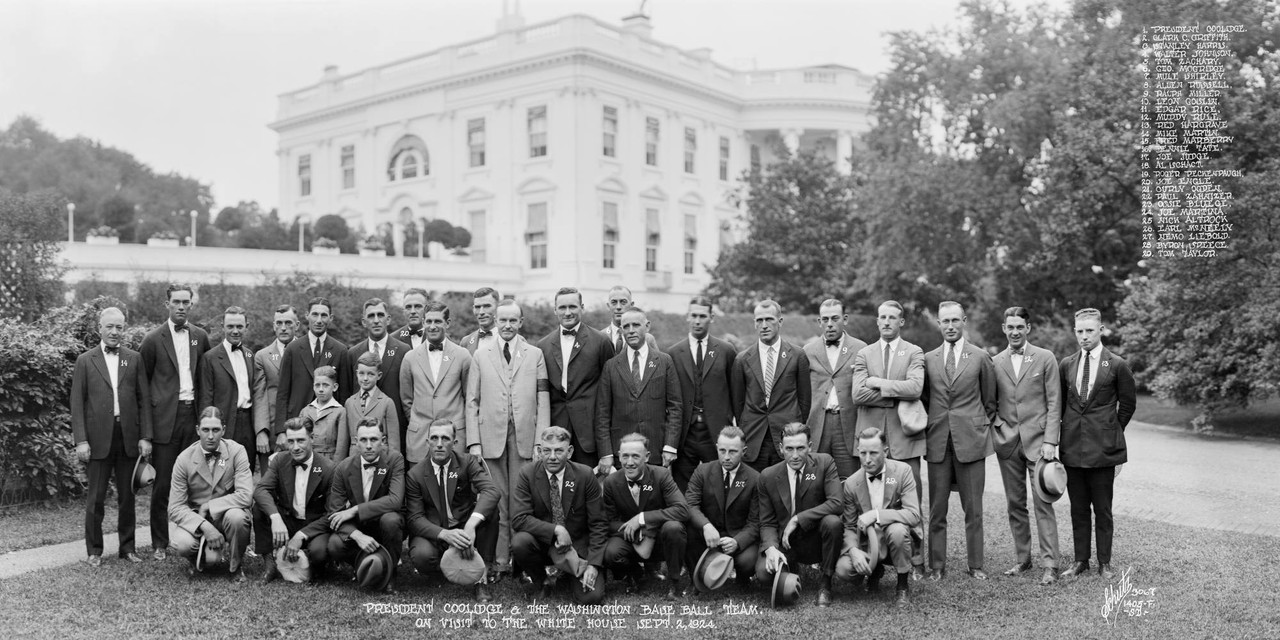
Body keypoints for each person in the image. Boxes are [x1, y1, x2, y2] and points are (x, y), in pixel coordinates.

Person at [464, 299, 550, 580]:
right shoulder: (481, 354)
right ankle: (500, 561)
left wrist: (540, 441)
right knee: (497, 501)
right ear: (496, 322)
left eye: (514, 320)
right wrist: (474, 441)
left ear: (521, 322)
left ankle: (522, 561)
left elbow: (543, 400)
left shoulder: (534, 354)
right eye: (504, 320)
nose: (508, 325)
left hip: (524, 436)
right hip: (490, 436)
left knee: (522, 501)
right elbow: (472, 400)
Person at [921, 301, 998, 581]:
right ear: (939, 324)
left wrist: (973, 425)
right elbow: (926, 397)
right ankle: (937, 566)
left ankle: (975, 564)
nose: (950, 326)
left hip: (971, 441)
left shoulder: (979, 357)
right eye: (945, 321)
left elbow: (990, 401)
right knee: (936, 510)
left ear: (964, 321)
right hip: (938, 440)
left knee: (973, 509)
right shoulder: (928, 359)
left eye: (955, 320)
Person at [1058, 308, 1136, 582]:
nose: (1084, 336)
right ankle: (1081, 560)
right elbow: (1062, 404)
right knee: (1077, 509)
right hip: (1072, 449)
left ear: (1101, 330)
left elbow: (1127, 404)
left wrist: (1111, 430)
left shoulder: (1116, 364)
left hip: (1103, 451)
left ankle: (1105, 562)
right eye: (1079, 331)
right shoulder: (1066, 364)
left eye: (1089, 330)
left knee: (1102, 509)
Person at [71, 306, 153, 567]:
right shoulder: (85, 360)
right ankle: (94, 551)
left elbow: (143, 400)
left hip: (128, 438)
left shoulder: (134, 358)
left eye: (119, 327)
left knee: (127, 497)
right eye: (110, 327)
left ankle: (127, 548)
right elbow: (77, 403)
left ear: (124, 329)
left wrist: (146, 436)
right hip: (97, 441)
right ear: (100, 329)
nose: (115, 332)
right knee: (95, 498)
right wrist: (81, 440)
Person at [851, 300, 926, 578]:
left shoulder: (914, 351)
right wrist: (898, 392)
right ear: (877, 321)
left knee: (911, 500)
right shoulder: (864, 353)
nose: (886, 322)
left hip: (905, 436)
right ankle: (872, 560)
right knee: (869, 501)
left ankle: (916, 563)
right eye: (882, 317)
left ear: (901, 322)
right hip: (871, 440)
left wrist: (878, 383)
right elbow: (857, 395)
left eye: (892, 318)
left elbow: (916, 387)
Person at [992, 306, 1062, 585]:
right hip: (1007, 442)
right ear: (1004, 328)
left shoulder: (1045, 358)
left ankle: (1050, 564)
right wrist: (997, 428)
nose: (1015, 332)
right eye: (1010, 327)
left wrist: (1050, 441)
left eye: (1020, 326)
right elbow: (989, 400)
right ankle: (1023, 559)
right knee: (1014, 504)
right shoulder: (995, 361)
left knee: (1043, 502)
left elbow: (1055, 402)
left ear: (1028, 328)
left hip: (1039, 443)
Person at [140, 283, 211, 561]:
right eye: (176, 302)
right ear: (166, 304)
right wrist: (146, 433)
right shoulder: (152, 339)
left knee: (197, 481)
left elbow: (206, 379)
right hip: (164, 421)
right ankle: (159, 542)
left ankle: (194, 536)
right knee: (164, 483)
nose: (181, 307)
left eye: (186, 302)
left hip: (193, 418)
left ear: (191, 305)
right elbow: (143, 391)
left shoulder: (201, 337)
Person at [405, 421, 500, 601]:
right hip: (436, 531)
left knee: (491, 512)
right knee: (421, 555)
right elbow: (415, 519)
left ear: (455, 443)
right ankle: (441, 571)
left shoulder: (468, 462)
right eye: (434, 438)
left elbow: (491, 491)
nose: (439, 443)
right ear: (427, 442)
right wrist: (445, 535)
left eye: (445, 438)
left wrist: (470, 526)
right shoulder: (415, 474)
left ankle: (481, 577)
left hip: (464, 527)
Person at [510, 426, 608, 601]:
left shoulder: (585, 475)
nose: (552, 457)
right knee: (520, 542)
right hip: (542, 543)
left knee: (591, 598)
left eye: (559, 451)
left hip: (577, 545)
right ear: (539, 451)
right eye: (547, 451)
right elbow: (519, 519)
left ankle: (573, 572)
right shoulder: (528, 473)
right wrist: (557, 529)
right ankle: (542, 581)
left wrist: (593, 564)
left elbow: (598, 523)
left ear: (569, 452)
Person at [755, 423, 843, 607]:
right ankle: (791, 569)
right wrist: (771, 547)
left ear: (810, 446)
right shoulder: (767, 476)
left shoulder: (825, 463)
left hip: (816, 539)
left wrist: (798, 519)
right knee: (763, 575)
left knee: (833, 523)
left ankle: (826, 584)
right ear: (781, 449)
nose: (795, 455)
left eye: (801, 448)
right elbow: (766, 521)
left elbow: (836, 503)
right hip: (786, 542)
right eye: (789, 449)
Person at [835, 428, 921, 607]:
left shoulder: (902, 471)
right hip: (867, 542)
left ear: (886, 451)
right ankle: (874, 570)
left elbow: (913, 515)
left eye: (873, 453)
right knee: (843, 569)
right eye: (863, 453)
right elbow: (849, 526)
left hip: (898, 539)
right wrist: (853, 551)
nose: (867, 459)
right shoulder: (851, 483)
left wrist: (875, 515)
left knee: (897, 530)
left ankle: (902, 586)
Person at [168, 407, 253, 581]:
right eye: (206, 430)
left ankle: (235, 567)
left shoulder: (237, 451)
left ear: (224, 429)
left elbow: (245, 495)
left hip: (226, 516)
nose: (211, 436)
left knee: (237, 517)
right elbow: (175, 507)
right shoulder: (184, 459)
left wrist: (211, 506)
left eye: (216, 430)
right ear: (198, 430)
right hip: (198, 520)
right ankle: (197, 559)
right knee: (182, 544)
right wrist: (205, 527)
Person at [537, 287, 616, 474]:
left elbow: (610, 392)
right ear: (555, 310)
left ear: (582, 307)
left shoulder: (601, 342)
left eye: (572, 306)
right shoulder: (543, 346)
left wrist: (607, 447)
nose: (567, 312)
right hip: (557, 432)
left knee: (590, 488)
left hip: (589, 433)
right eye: (562, 307)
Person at [602, 433, 689, 600]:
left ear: (647, 457)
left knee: (674, 528)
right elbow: (609, 522)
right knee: (611, 552)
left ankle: (674, 583)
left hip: (659, 539)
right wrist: (634, 531)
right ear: (618, 456)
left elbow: (682, 510)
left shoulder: (661, 475)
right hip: (629, 538)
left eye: (635, 456)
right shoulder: (611, 482)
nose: (629, 462)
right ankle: (633, 574)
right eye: (625, 456)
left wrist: (642, 519)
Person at [325, 418, 407, 594]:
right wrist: (357, 535)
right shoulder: (343, 468)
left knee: (391, 520)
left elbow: (395, 500)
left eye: (374, 439)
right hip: (360, 526)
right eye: (363, 440)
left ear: (383, 441)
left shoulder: (395, 460)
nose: (368, 445)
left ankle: (390, 572)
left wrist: (355, 509)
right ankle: (364, 564)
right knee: (334, 544)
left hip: (386, 524)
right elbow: (336, 513)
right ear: (356, 442)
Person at [666, 296, 737, 491]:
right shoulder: (673, 353)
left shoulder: (726, 351)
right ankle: (684, 521)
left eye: (703, 316)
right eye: (694, 316)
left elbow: (736, 394)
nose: (697, 321)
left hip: (715, 432)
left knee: (718, 484)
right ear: (687, 317)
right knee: (683, 486)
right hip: (685, 433)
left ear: (711, 317)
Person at [596, 306, 682, 468]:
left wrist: (670, 446)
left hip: (656, 449)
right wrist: (606, 453)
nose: (631, 330)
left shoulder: (664, 362)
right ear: (621, 330)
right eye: (626, 326)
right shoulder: (611, 366)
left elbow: (675, 407)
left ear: (647, 326)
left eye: (636, 325)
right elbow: (602, 414)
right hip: (622, 452)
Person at [731, 299, 811, 472]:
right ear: (754, 323)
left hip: (787, 437)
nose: (764, 325)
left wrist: (794, 429)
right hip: (754, 438)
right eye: (759, 320)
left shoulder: (797, 355)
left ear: (780, 321)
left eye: (769, 319)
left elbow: (805, 401)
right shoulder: (742, 359)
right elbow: (738, 403)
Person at [254, 417, 336, 584]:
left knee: (319, 553)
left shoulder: (329, 468)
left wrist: (301, 535)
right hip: (288, 519)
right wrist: (275, 518)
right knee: (259, 509)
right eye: (291, 441)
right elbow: (261, 490)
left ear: (312, 438)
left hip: (314, 524)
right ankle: (270, 563)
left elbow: (332, 514)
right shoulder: (279, 460)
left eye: (301, 440)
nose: (296, 447)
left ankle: (319, 563)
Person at [684, 426, 759, 590]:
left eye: (733, 451)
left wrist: (737, 542)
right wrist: (706, 526)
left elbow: (755, 522)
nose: (726, 457)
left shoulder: (755, 479)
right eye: (722, 450)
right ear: (716, 448)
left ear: (744, 451)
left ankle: (742, 578)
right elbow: (690, 505)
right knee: (685, 529)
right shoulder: (702, 471)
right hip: (708, 537)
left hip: (736, 536)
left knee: (748, 562)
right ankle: (697, 577)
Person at [803, 298, 869, 480]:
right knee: (815, 478)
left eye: (835, 318)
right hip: (818, 424)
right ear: (819, 322)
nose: (830, 324)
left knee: (849, 479)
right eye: (825, 319)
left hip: (847, 424)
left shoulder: (861, 348)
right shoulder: (808, 351)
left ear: (845, 319)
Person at [400, 301, 473, 464]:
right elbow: (406, 400)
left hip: (454, 438)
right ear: (424, 322)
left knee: (455, 487)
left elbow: (470, 398)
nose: (432, 326)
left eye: (438, 321)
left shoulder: (463, 356)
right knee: (419, 487)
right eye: (429, 321)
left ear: (447, 323)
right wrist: (418, 421)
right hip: (420, 439)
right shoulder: (410, 358)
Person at [199, 306, 266, 472]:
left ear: (247, 327)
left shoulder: (250, 355)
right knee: (220, 474)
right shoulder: (210, 358)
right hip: (224, 423)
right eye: (230, 326)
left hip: (248, 426)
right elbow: (206, 398)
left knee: (245, 473)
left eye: (239, 327)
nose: (235, 331)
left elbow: (256, 393)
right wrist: (210, 431)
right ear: (223, 327)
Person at [340, 298, 409, 456]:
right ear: (364, 322)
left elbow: (407, 394)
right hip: (361, 436)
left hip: (393, 432)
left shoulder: (404, 350)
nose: (376, 320)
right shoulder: (353, 353)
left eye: (380, 315)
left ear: (388, 319)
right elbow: (348, 393)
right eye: (371, 316)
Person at [275, 296, 348, 435]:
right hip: (296, 423)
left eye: (324, 315)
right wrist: (280, 431)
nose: (319, 320)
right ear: (307, 315)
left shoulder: (340, 350)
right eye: (315, 314)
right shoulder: (292, 349)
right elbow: (282, 393)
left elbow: (344, 394)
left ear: (331, 318)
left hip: (329, 427)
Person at [255, 305, 297, 452]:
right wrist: (261, 431)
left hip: (301, 430)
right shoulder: (262, 356)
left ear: (297, 325)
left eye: (288, 323)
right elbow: (259, 396)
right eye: (279, 323)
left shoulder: (306, 352)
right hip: (272, 430)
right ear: (274, 326)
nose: (283, 328)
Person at [344, 352, 401, 456]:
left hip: (380, 459)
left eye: (370, 374)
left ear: (379, 376)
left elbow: (394, 444)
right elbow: (345, 440)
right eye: (361, 373)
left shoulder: (387, 402)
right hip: (355, 459)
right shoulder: (349, 402)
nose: (365, 378)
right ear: (356, 373)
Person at [300, 366, 348, 460]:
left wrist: (336, 468)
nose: (321, 389)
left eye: (325, 385)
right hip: (308, 459)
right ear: (313, 386)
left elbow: (341, 446)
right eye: (317, 385)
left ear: (334, 387)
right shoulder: (305, 411)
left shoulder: (340, 411)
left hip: (329, 461)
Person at [458, 287, 501, 355]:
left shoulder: (511, 339)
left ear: (498, 308)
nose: (481, 312)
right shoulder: (465, 342)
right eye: (477, 307)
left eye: (487, 306)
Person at [601, 285, 632, 353]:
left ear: (631, 305)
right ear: (608, 306)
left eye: (623, 302)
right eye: (614, 302)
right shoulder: (599, 337)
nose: (618, 307)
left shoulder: (644, 338)